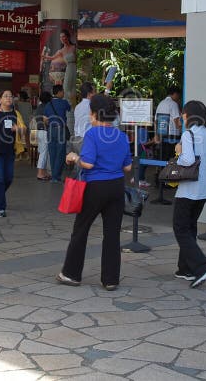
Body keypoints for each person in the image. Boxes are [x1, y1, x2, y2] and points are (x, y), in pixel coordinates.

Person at [58, 94, 132, 290]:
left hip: (95, 187)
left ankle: (71, 274)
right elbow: (127, 167)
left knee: (81, 230)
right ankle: (110, 279)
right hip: (117, 187)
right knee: (112, 234)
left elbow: (88, 163)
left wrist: (74, 157)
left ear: (94, 114)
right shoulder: (122, 136)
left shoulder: (92, 134)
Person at [172, 100, 206, 287]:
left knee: (180, 228)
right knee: (190, 227)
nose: (183, 118)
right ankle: (185, 269)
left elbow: (188, 160)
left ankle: (202, 267)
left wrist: (178, 152)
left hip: (189, 190)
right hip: (204, 190)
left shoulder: (188, 134)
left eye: (183, 115)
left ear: (188, 115)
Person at [44, 84, 71, 183]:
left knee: (52, 153)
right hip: (60, 130)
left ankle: (54, 176)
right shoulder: (64, 102)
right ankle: (56, 176)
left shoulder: (48, 104)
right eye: (62, 91)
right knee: (60, 153)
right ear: (59, 92)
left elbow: (45, 119)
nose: (63, 93)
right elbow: (70, 108)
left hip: (51, 130)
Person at [42, 29, 77, 103]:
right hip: (69, 68)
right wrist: (43, 56)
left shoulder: (74, 47)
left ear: (67, 37)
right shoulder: (61, 51)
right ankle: (67, 103)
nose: (62, 38)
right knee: (66, 86)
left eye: (63, 36)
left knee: (73, 86)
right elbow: (52, 57)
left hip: (75, 67)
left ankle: (73, 103)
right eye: (60, 37)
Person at [155, 86, 182, 158]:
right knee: (173, 158)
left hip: (162, 135)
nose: (178, 98)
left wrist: (157, 134)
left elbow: (156, 121)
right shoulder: (173, 104)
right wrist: (182, 132)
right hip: (173, 136)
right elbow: (176, 122)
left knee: (164, 157)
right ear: (175, 94)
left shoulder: (161, 103)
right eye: (178, 96)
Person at [34, 91, 52, 181]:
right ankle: (40, 173)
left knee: (41, 151)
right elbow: (47, 121)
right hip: (45, 131)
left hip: (39, 130)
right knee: (44, 153)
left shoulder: (39, 107)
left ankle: (43, 172)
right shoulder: (47, 107)